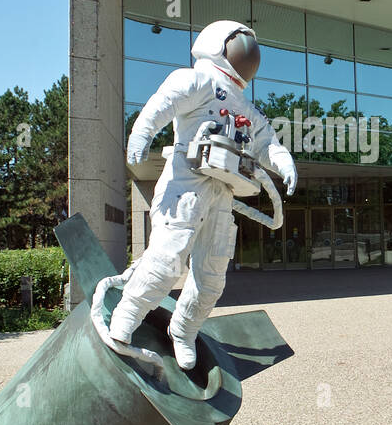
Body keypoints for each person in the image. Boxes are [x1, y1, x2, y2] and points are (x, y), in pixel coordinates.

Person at [102, 20, 297, 370]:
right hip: (185, 183)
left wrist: (284, 163)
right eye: (241, 47)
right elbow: (162, 105)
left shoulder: (243, 106)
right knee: (166, 260)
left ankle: (184, 330)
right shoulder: (197, 79)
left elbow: (267, 142)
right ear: (219, 44)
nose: (247, 55)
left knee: (211, 276)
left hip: (222, 192)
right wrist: (141, 135)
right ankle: (125, 318)